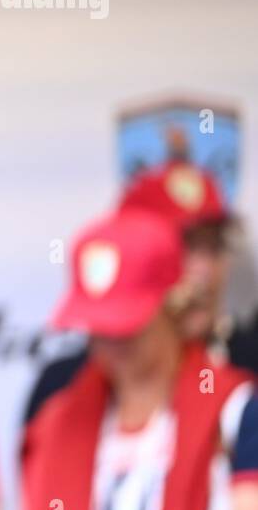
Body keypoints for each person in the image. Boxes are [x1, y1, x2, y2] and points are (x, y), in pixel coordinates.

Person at [20, 206, 258, 510]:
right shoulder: (59, 417)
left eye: (127, 323)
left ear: (173, 304)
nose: (112, 340)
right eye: (98, 324)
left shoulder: (238, 409)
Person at [25, 161, 255, 428]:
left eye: (214, 247)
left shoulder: (250, 366)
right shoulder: (62, 387)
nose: (203, 270)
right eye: (182, 245)